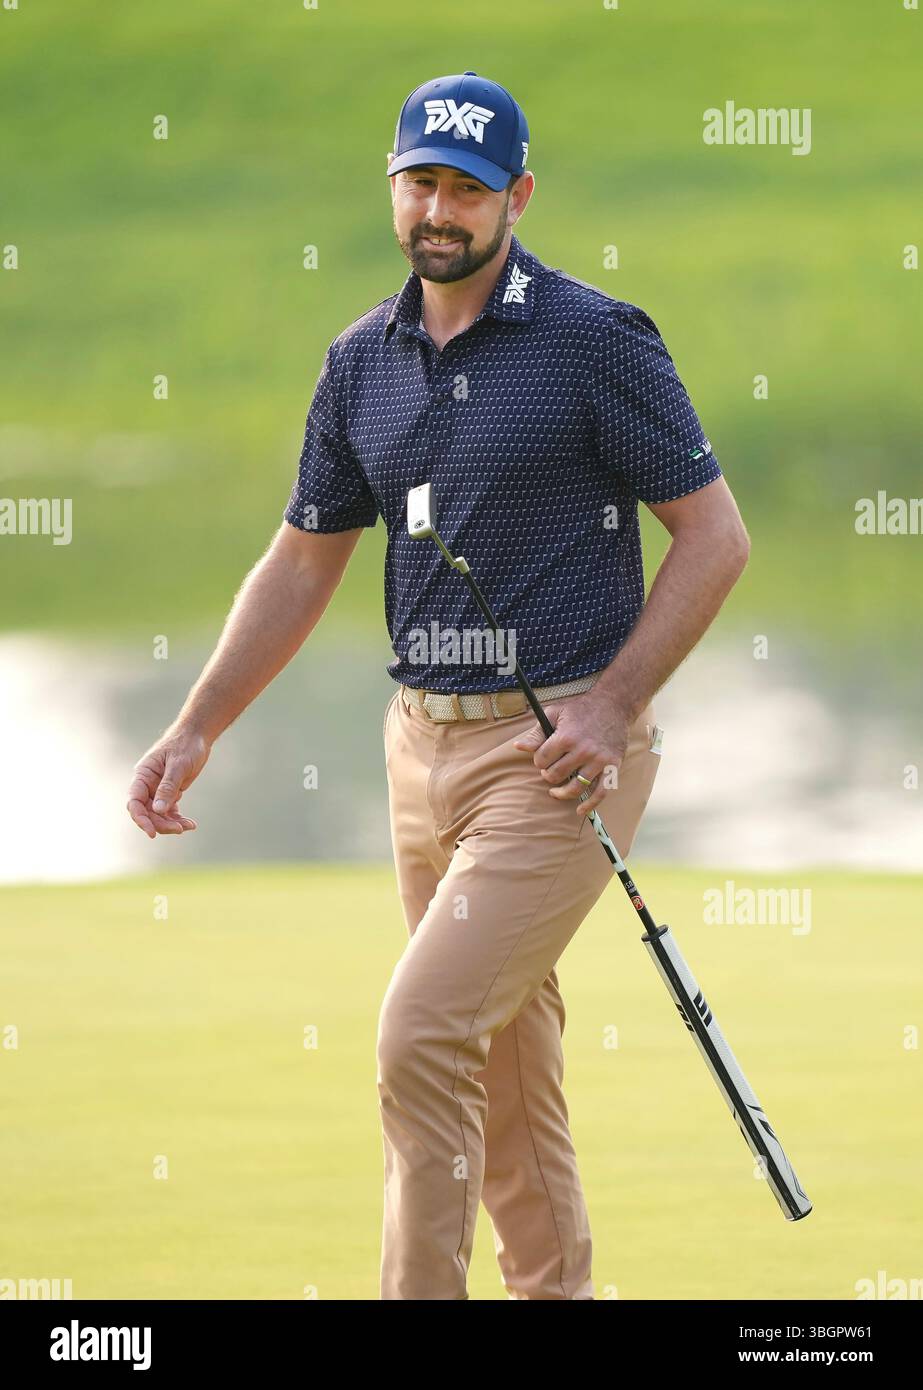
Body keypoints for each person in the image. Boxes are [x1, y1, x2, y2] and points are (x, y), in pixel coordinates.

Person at [127, 71, 750, 1301]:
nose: (439, 208)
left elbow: (714, 536)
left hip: (558, 757)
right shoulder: (361, 360)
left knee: (419, 1036)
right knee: (504, 1069)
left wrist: (615, 704)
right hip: (417, 751)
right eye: (419, 181)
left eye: (466, 186)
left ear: (515, 195)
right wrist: (197, 725)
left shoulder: (590, 341)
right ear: (393, 190)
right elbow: (304, 558)